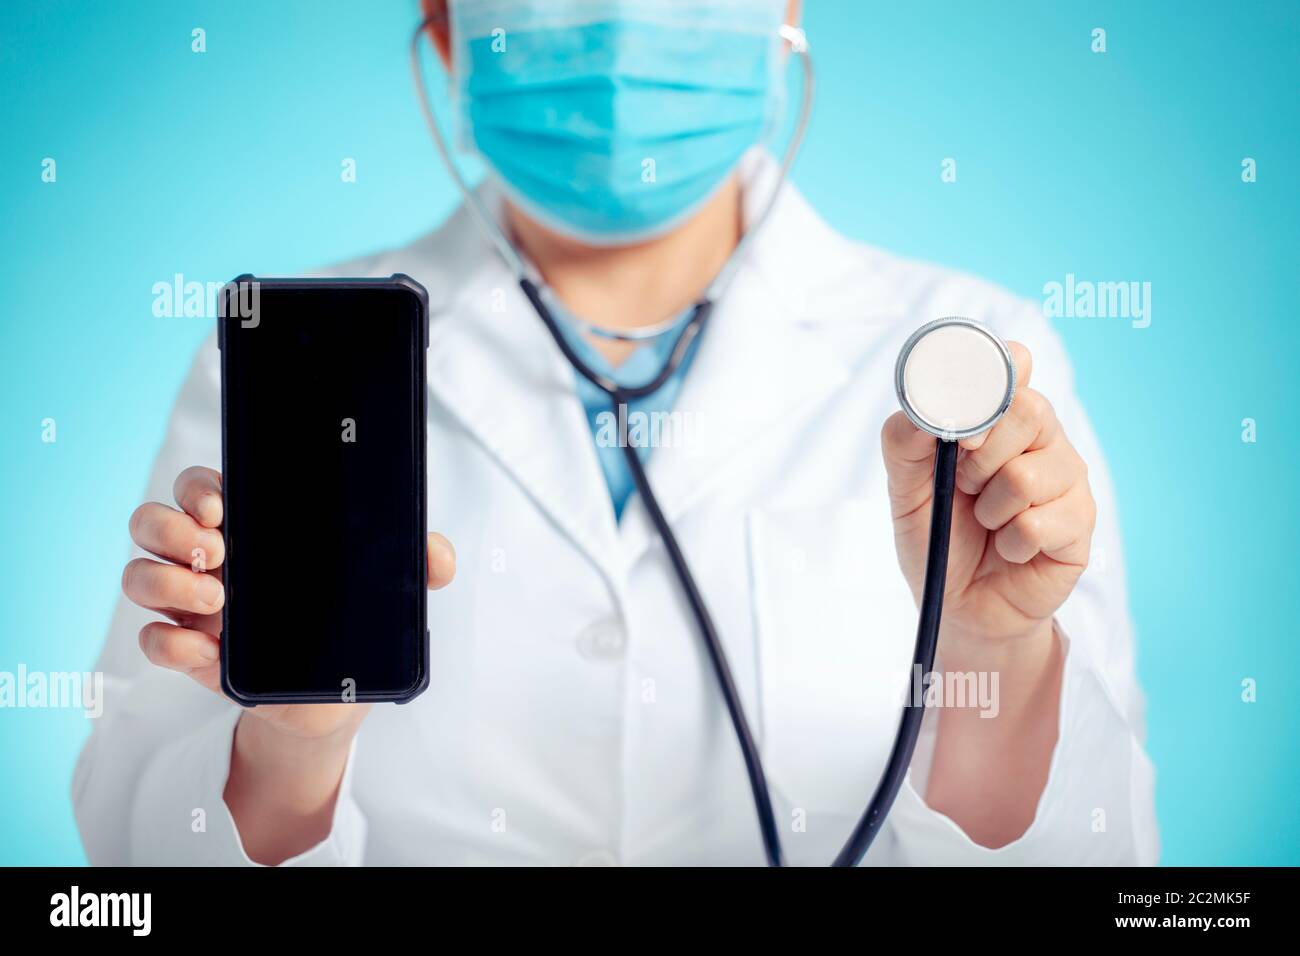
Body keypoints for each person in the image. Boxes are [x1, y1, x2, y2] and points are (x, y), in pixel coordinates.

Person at [74, 0, 1157, 866]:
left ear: (784, 12)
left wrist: (993, 653)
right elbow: (131, 867)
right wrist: (289, 745)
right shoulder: (284, 353)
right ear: (445, 23)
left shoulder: (976, 357)